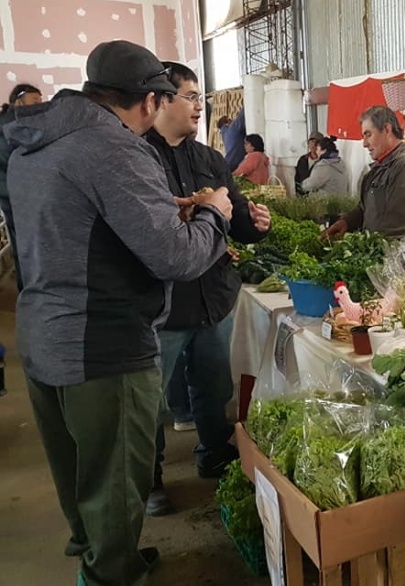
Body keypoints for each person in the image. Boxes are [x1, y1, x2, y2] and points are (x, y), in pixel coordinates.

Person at [4, 40, 233, 586]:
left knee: (78, 468)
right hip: (101, 347)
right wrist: (215, 216)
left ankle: (102, 553)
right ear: (151, 101)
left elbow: (77, 222)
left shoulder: (35, 141)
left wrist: (170, 208)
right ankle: (110, 574)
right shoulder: (113, 147)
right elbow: (176, 257)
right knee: (115, 478)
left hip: (41, 332)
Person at [145, 62, 271, 516]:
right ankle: (150, 478)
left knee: (213, 383)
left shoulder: (209, 159)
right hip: (165, 304)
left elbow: (234, 217)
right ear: (160, 99)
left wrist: (255, 225)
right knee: (151, 402)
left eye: (201, 97)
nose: (200, 106)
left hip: (213, 296)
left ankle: (214, 453)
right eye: (190, 96)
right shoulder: (138, 158)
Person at [322, 106, 405, 239]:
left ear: (387, 129)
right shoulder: (378, 169)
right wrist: (347, 222)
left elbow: (400, 228)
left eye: (368, 134)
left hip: (396, 256)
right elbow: (366, 209)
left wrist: (372, 251)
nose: (365, 144)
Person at [0, 83, 43, 291]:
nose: (39, 107)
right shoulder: (9, 127)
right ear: (18, 101)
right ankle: (27, 287)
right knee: (23, 243)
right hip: (12, 194)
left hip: (17, 191)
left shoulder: (17, 122)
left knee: (26, 243)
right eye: (35, 102)